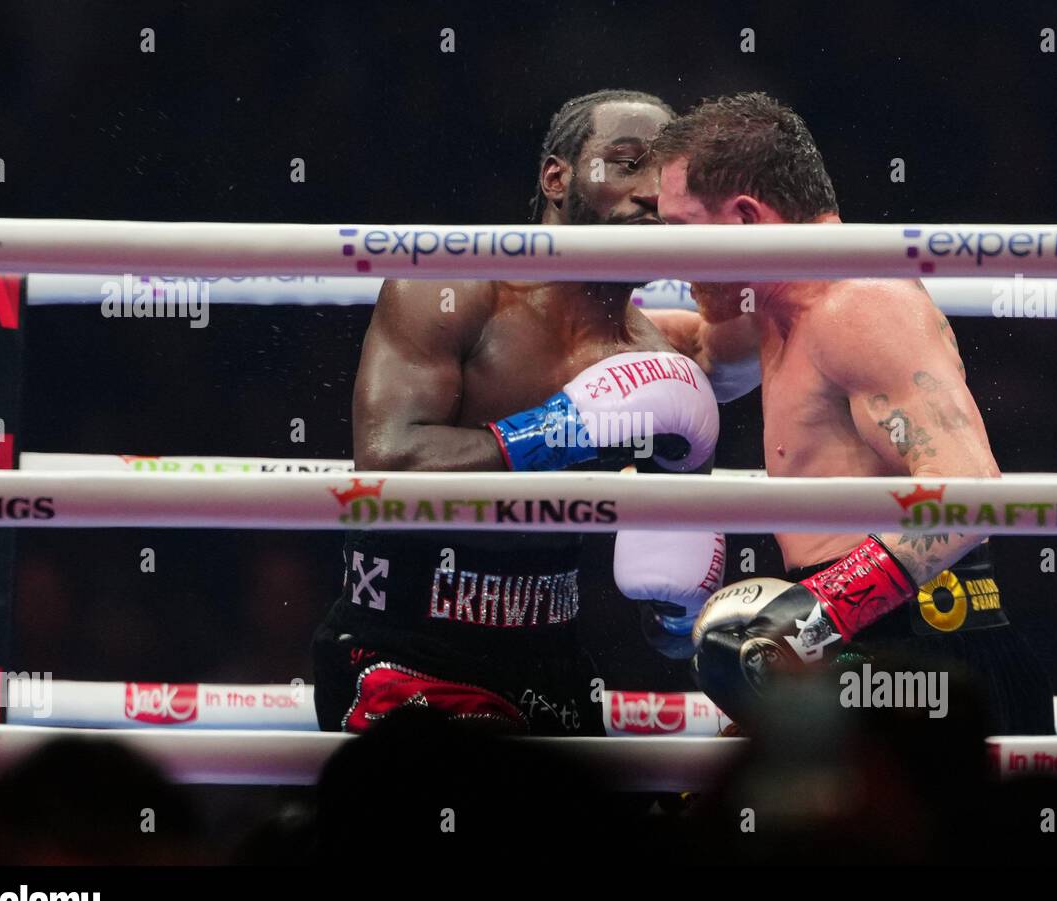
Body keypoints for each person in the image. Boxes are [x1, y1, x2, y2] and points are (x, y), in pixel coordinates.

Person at [312, 89, 751, 735]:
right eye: (628, 163)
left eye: (671, 176)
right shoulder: (453, 289)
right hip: (408, 651)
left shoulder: (656, 359)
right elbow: (387, 465)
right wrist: (557, 431)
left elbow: (665, 628)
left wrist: (680, 615)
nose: (653, 191)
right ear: (557, 177)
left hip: (554, 660)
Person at [651, 92, 1056, 735]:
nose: (664, 259)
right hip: (856, 647)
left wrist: (811, 619)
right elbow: (696, 346)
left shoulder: (858, 305)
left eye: (678, 231)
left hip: (924, 651)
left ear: (748, 219)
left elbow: (972, 494)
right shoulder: (772, 304)